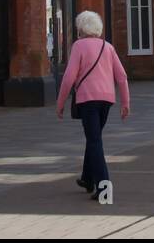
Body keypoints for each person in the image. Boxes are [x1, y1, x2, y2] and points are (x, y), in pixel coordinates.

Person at [56, 11, 131, 200]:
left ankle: (104, 189)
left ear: (81, 28)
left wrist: (60, 103)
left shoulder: (79, 46)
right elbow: (121, 77)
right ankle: (88, 179)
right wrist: (125, 102)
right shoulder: (108, 47)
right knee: (94, 139)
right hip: (107, 100)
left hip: (88, 100)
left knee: (95, 141)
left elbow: (69, 77)